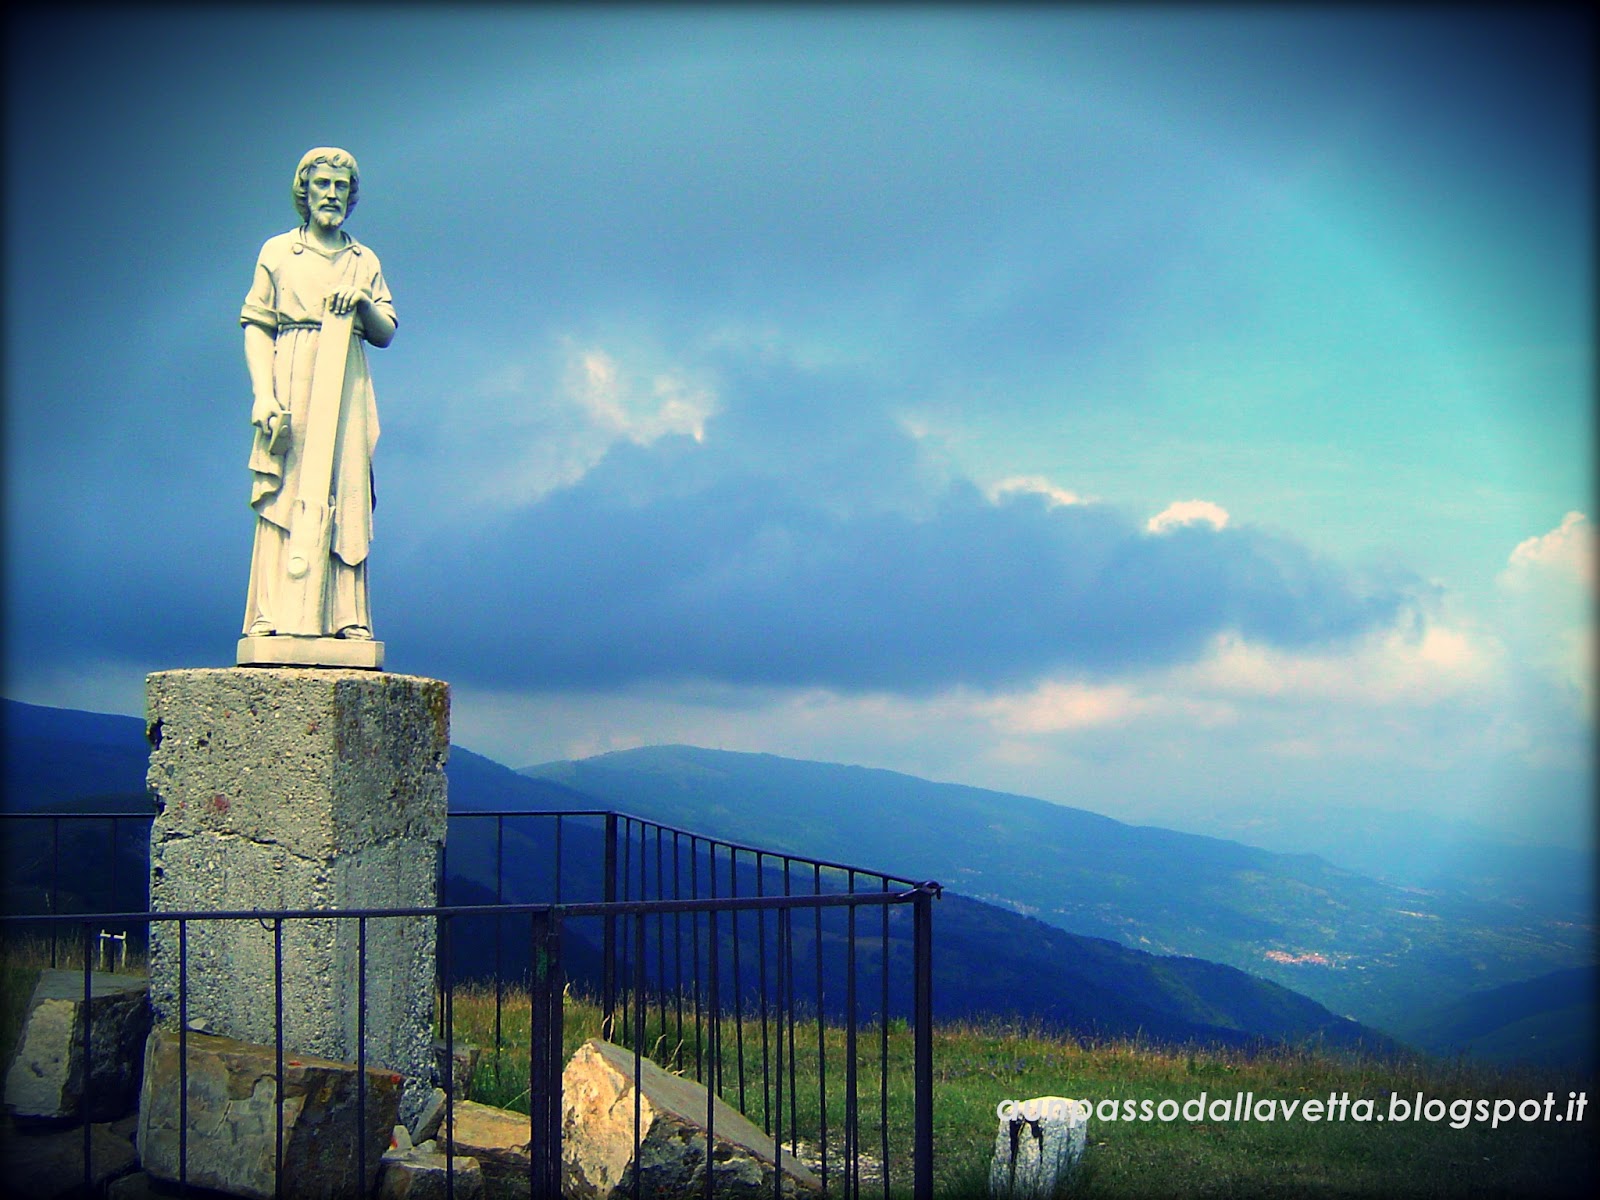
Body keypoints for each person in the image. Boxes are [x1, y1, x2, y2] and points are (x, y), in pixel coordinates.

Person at [240, 147, 397, 640]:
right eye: (323, 184)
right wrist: (262, 394)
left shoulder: (362, 259)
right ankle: (272, 611)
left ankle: (346, 614)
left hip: (345, 380)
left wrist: (363, 302)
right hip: (293, 374)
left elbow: (386, 330)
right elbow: (257, 324)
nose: (331, 194)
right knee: (285, 485)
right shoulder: (279, 252)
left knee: (345, 488)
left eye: (341, 186)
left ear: (352, 196)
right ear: (304, 190)